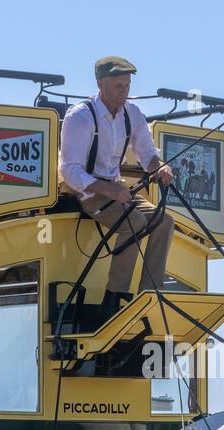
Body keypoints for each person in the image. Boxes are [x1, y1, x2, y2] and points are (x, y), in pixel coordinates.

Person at [58, 56, 175, 321]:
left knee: (164, 221)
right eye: (118, 86)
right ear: (100, 84)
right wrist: (108, 190)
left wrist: (160, 167)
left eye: (127, 85)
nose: (124, 92)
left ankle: (151, 292)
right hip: (86, 190)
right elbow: (70, 171)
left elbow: (147, 153)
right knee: (132, 221)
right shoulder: (80, 117)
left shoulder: (132, 114)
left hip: (116, 189)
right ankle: (115, 297)